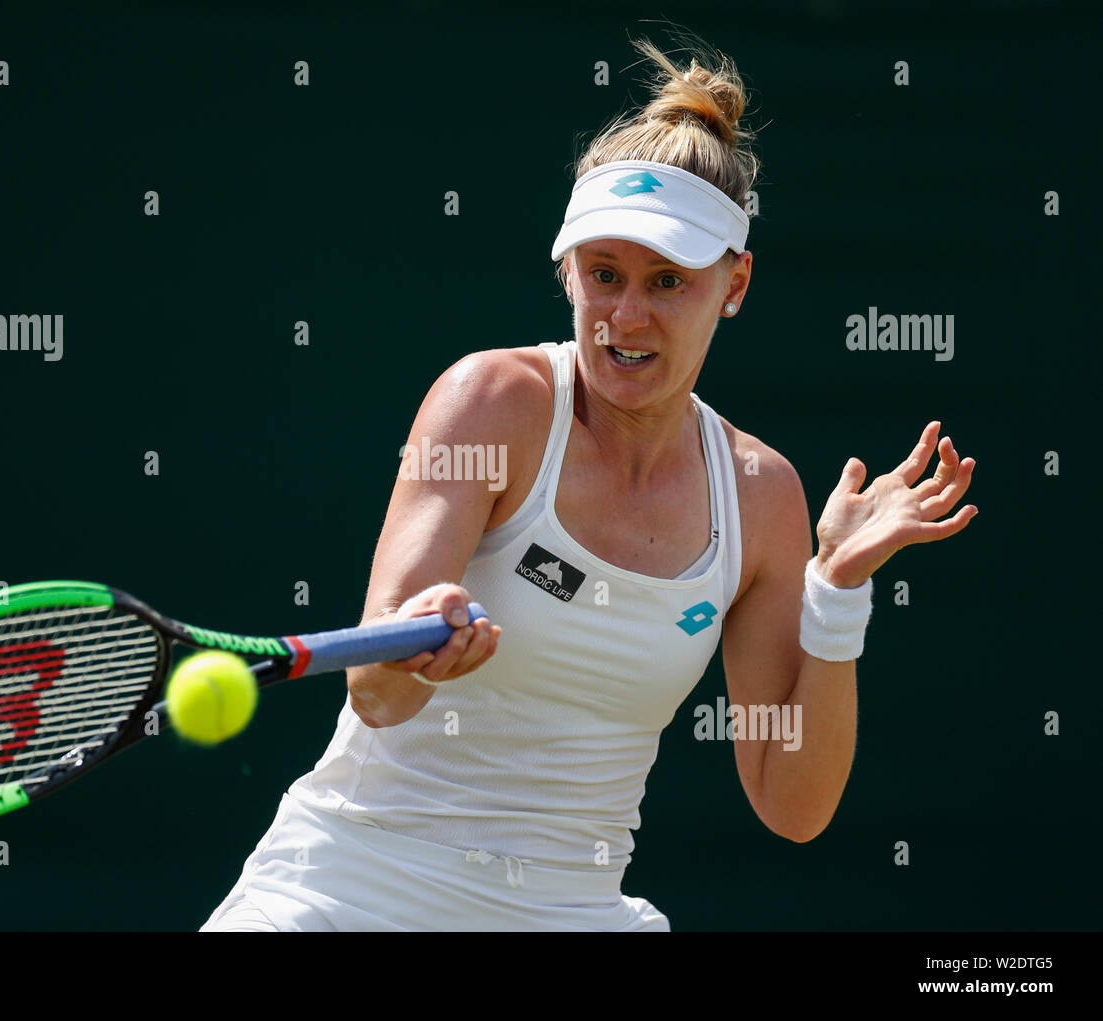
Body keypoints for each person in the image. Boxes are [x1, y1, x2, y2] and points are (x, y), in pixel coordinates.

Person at [201, 37, 977, 932]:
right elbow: (375, 695)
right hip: (342, 893)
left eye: (668, 282)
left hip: (571, 913)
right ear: (566, 267)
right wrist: (419, 648)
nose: (627, 316)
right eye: (603, 275)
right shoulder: (491, 403)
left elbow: (792, 808)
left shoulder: (763, 497)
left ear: (735, 283)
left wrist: (836, 591)